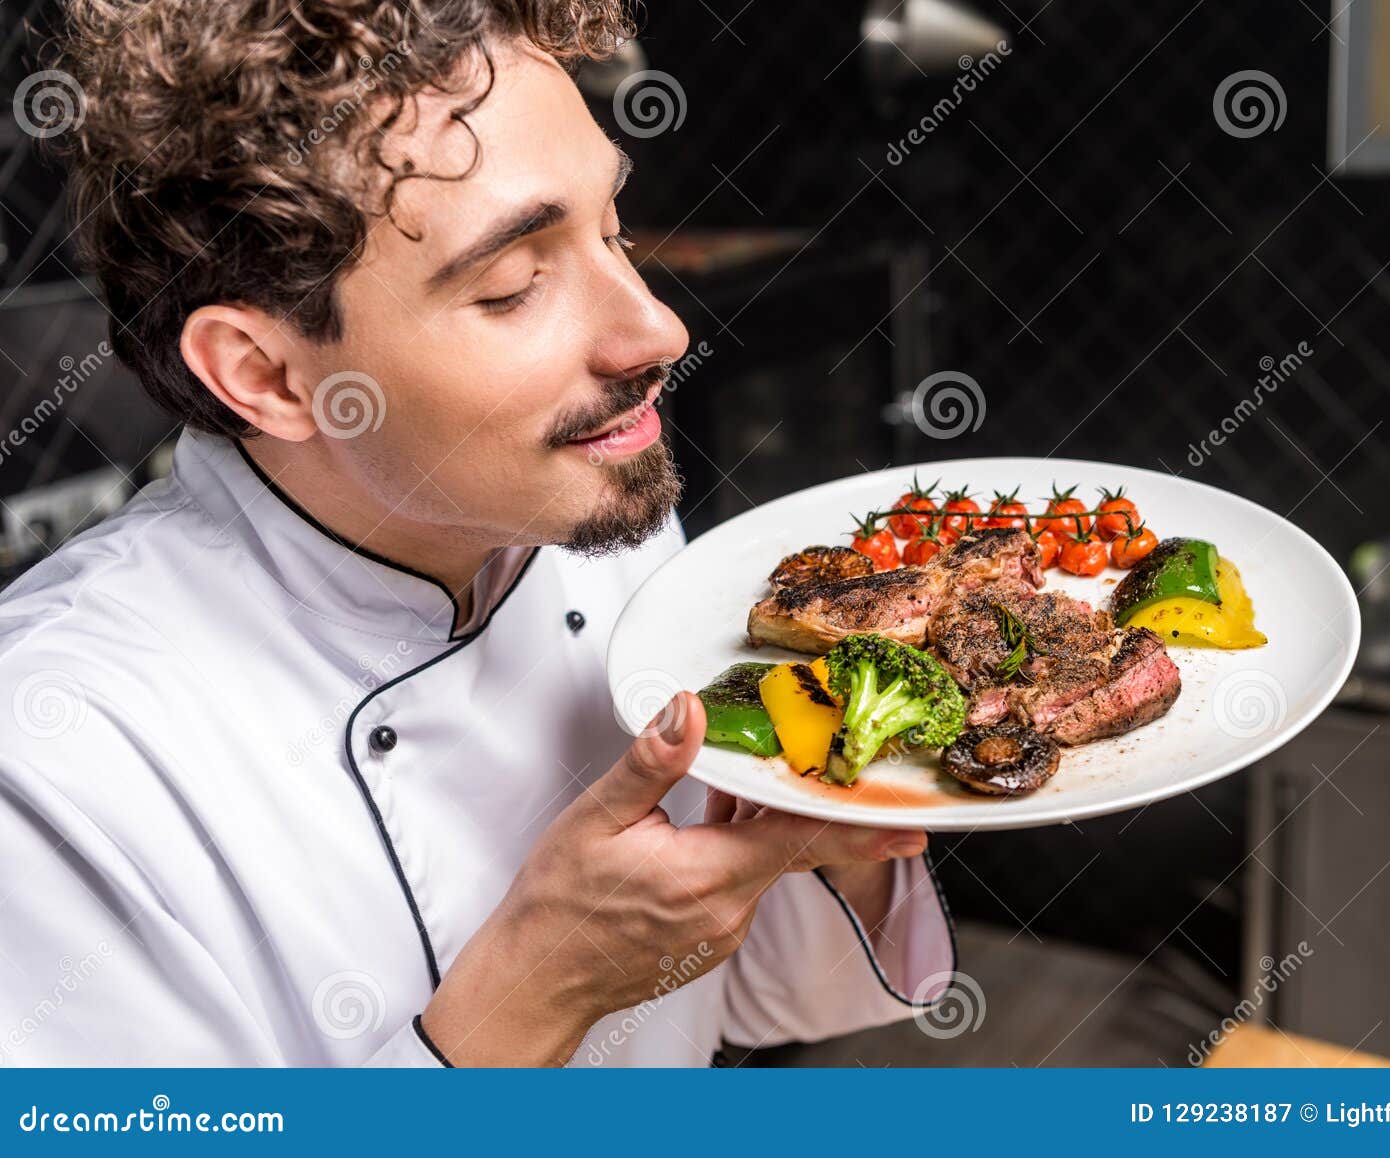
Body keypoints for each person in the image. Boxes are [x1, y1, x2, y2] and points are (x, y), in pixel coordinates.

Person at [0, 0, 954, 1066]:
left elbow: (739, 1000)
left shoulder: (584, 513)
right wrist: (537, 989)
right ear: (264, 373)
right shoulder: (55, 766)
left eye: (613, 229)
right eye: (511, 285)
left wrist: (836, 825)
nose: (657, 330)